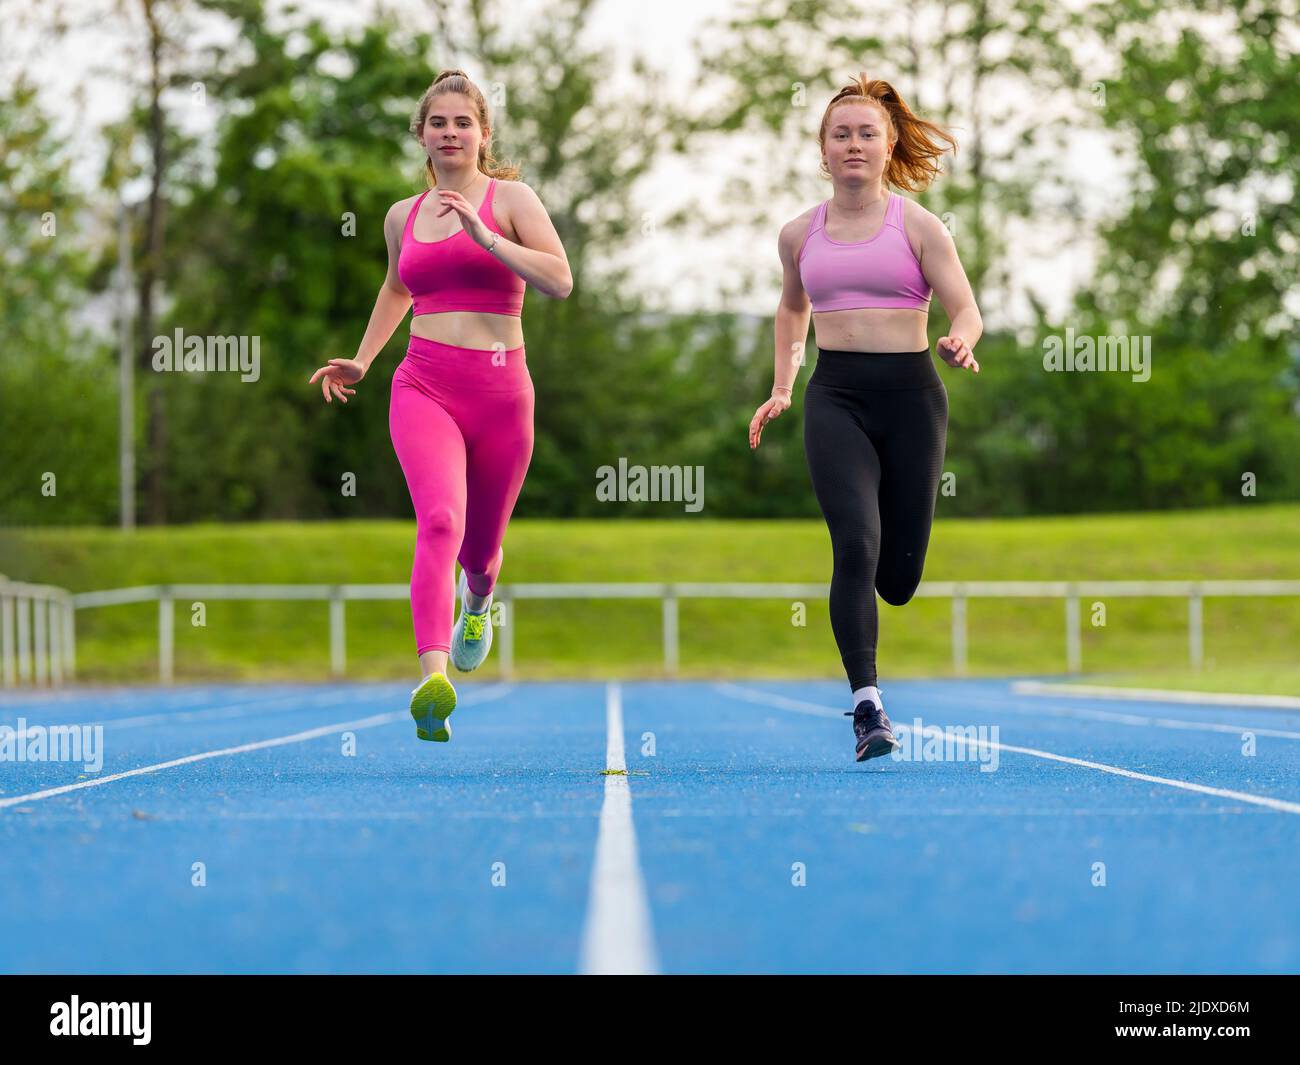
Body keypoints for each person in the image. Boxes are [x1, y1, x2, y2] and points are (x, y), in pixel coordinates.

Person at [308, 70, 572, 743]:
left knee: (481, 549)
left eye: (462, 123)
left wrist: (485, 236)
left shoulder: (511, 199)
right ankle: (433, 677)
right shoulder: (403, 215)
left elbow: (559, 281)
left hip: (503, 392)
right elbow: (396, 288)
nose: (450, 133)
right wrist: (364, 359)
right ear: (422, 135)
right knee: (440, 520)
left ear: (483, 134)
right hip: (424, 384)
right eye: (437, 123)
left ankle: (479, 602)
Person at [748, 75, 982, 762]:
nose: (853, 143)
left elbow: (965, 305)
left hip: (912, 395)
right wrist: (784, 384)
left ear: (888, 147)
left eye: (866, 133)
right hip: (836, 396)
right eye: (840, 134)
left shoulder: (918, 225)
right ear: (823, 150)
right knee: (854, 540)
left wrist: (962, 337)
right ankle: (867, 705)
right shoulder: (799, 234)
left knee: (898, 578)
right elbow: (793, 310)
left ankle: (885, 603)